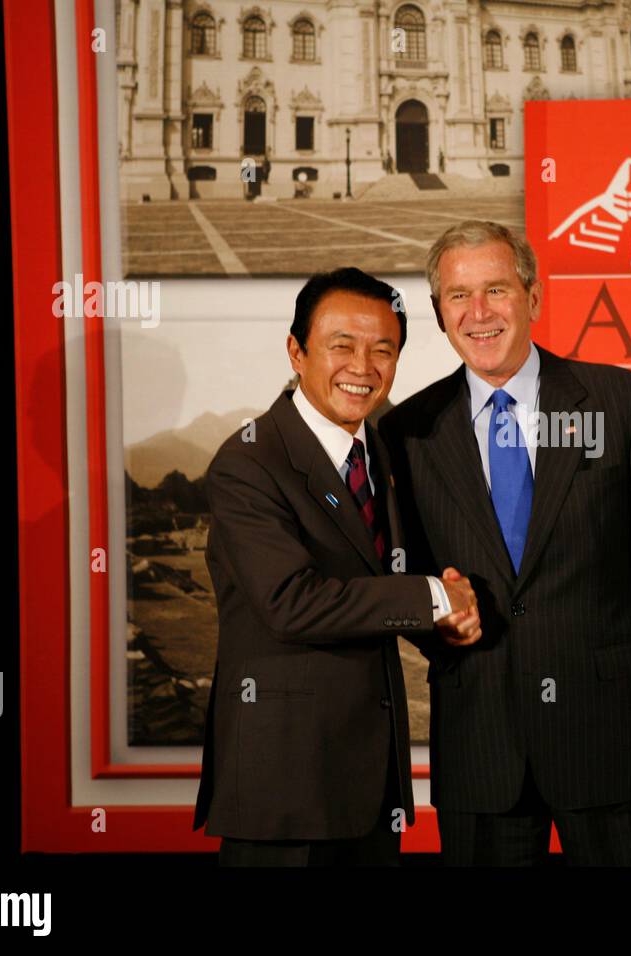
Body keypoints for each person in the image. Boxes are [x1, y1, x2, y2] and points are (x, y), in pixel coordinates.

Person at [379, 221, 631, 865]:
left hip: (613, 743)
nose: (479, 313)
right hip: (482, 745)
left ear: (533, 297)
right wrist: (439, 625)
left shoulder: (623, 404)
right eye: (458, 296)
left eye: (497, 290)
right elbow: (407, 576)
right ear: (438, 312)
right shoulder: (407, 432)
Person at [193, 267, 480, 865]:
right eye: (342, 345)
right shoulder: (248, 462)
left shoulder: (379, 449)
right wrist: (431, 598)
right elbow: (291, 602)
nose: (363, 366)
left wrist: (449, 619)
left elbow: (383, 580)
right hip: (285, 791)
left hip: (371, 787)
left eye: (384, 350)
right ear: (297, 351)